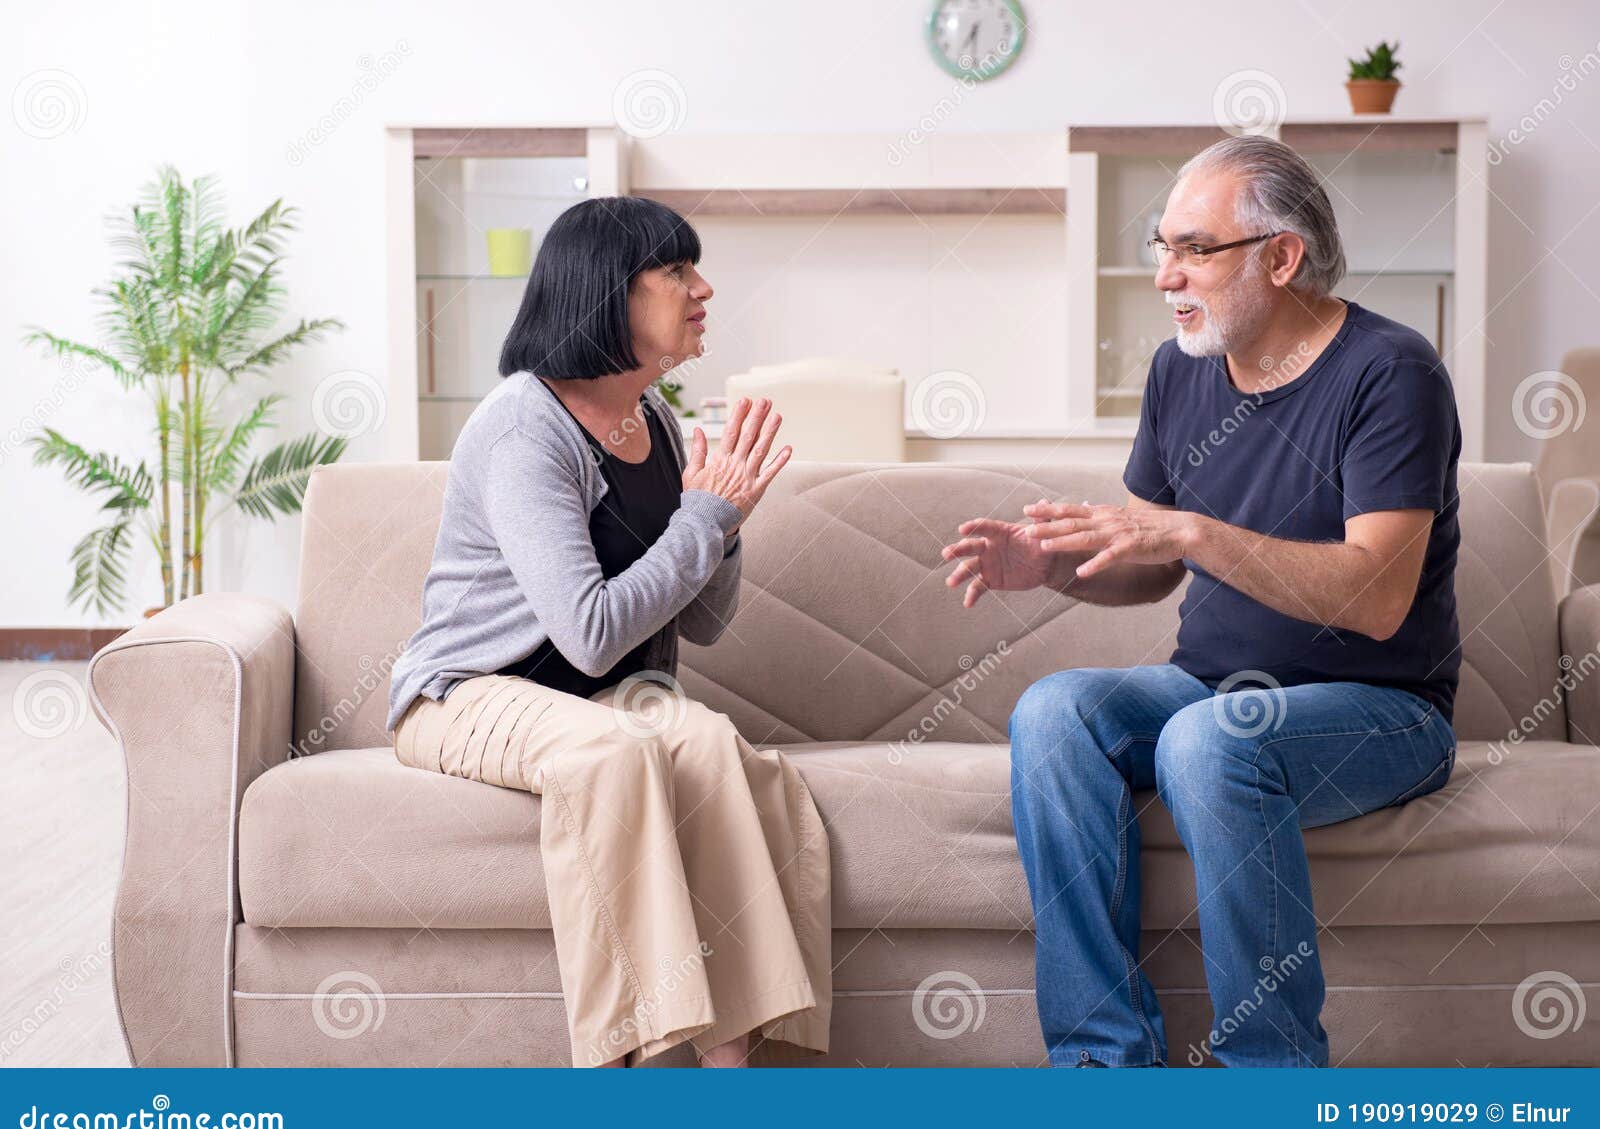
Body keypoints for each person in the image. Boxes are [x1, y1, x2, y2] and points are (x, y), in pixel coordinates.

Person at [942, 135, 1461, 1067]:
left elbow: (1379, 597)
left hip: (1384, 710)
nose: (1165, 276)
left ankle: (1270, 1078)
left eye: (1194, 249)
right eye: (1160, 248)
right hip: (1209, 689)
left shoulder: (1391, 371)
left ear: (1282, 256)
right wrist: (1055, 567)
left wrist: (1193, 533)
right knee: (1054, 712)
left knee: (1211, 739)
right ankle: (1101, 1062)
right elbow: (1151, 562)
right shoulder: (1179, 368)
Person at [385, 196, 830, 1068]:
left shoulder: (653, 420)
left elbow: (703, 622)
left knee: (710, 744)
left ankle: (734, 1070)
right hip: (464, 695)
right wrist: (702, 519)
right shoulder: (526, 427)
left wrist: (724, 521)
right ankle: (627, 1069)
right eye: (676, 270)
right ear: (608, 292)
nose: (703, 289)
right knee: (616, 753)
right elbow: (590, 633)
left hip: (602, 700)